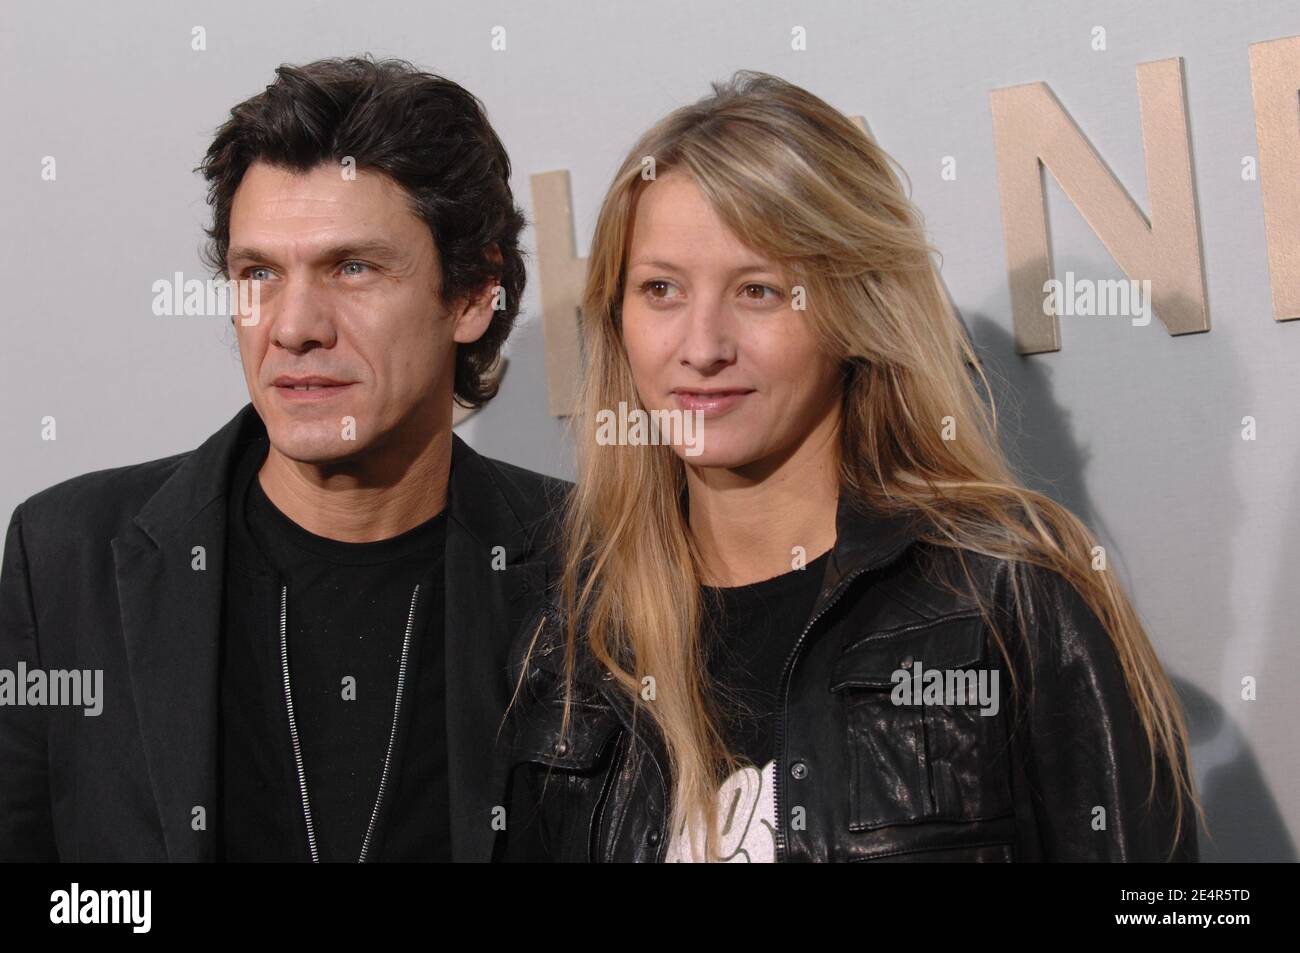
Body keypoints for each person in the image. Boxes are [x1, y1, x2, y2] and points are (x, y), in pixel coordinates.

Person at [501, 71, 1202, 862]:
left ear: (854, 310)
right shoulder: (569, 636)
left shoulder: (1007, 598)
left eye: (758, 290)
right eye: (660, 289)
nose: (701, 347)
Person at [0, 56, 566, 862]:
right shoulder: (66, 557)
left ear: (474, 294)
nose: (294, 325)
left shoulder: (594, 565)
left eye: (353, 268)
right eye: (258, 272)